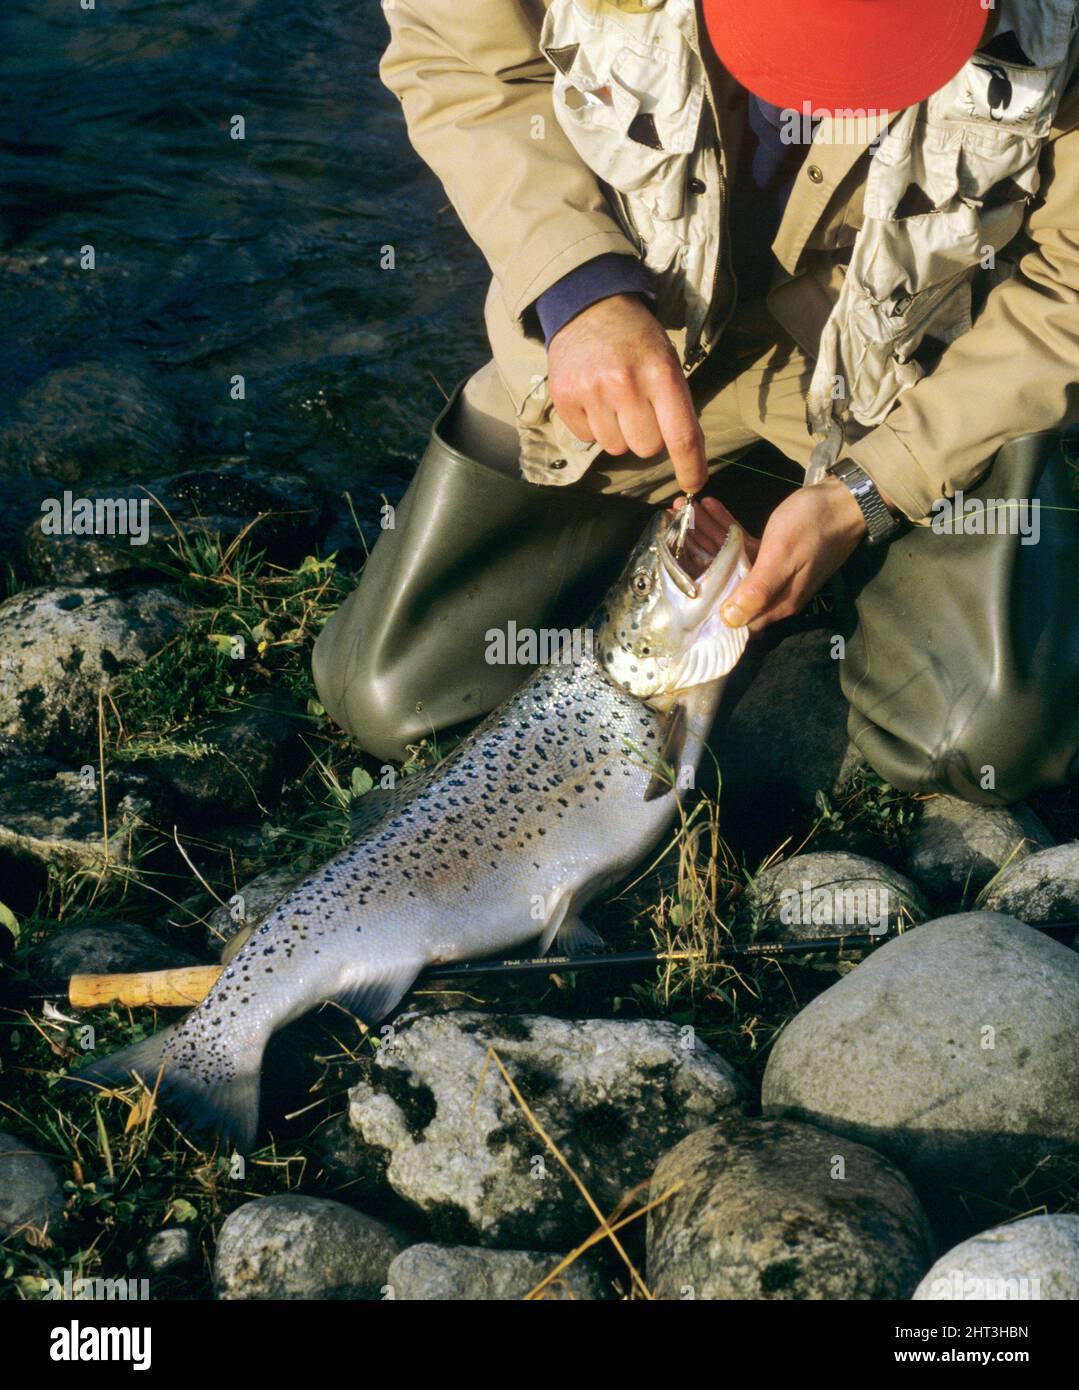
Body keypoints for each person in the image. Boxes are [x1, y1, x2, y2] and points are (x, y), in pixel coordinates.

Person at [314, 0, 1079, 805]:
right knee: (395, 693)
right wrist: (576, 291)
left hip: (906, 370)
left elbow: (1066, 286)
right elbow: (457, 57)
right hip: (649, 325)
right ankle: (737, 516)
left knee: (980, 742)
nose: (824, 94)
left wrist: (873, 489)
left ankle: (778, 518)